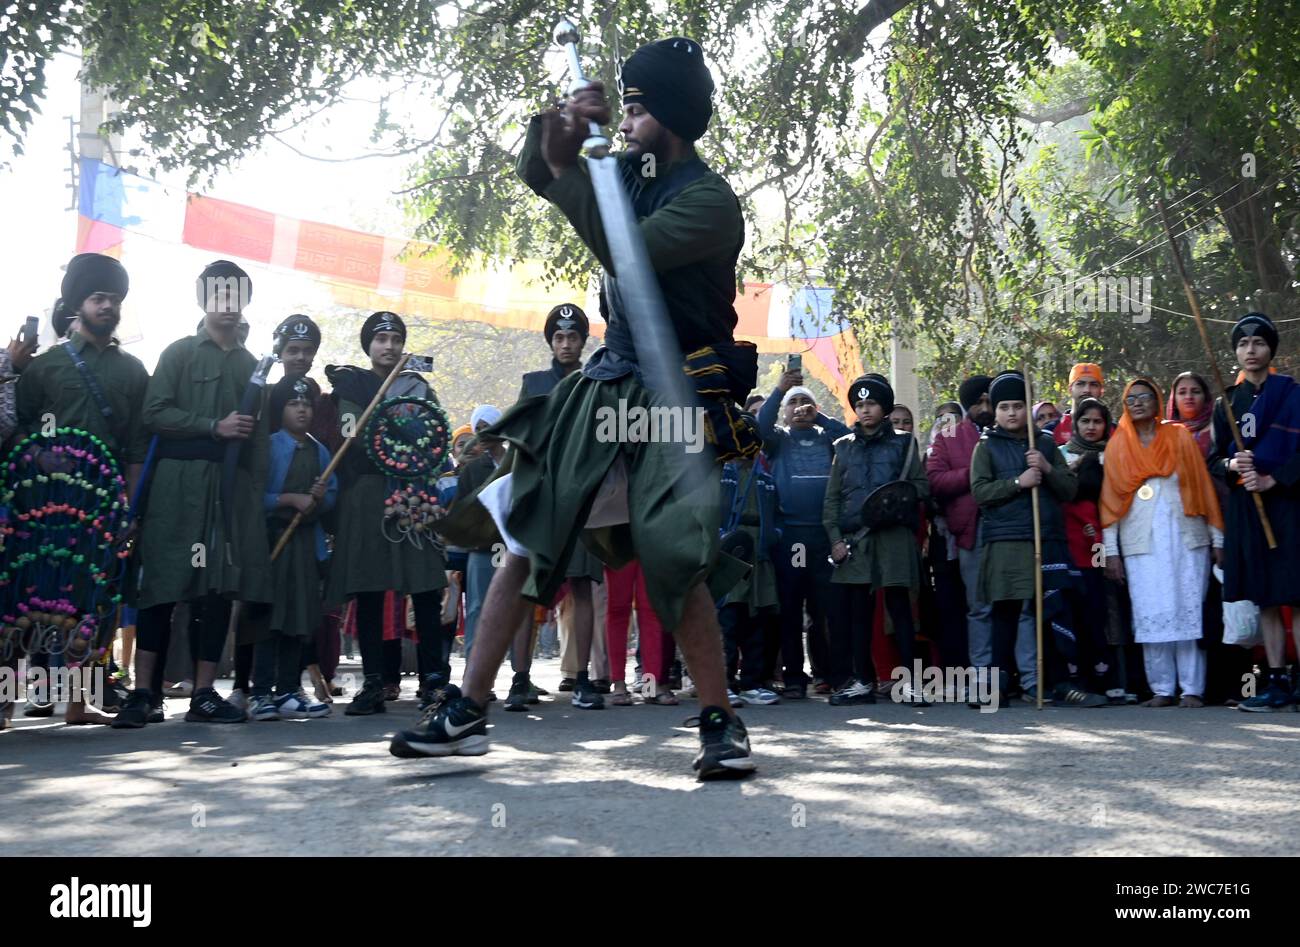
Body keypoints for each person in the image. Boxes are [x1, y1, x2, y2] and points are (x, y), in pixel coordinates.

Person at [403, 36, 759, 779]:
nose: (626, 123)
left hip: (677, 392)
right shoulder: (623, 171)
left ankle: (721, 722)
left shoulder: (709, 201)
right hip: (609, 380)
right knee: (528, 528)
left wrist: (584, 171)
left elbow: (625, 249)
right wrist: (561, 125)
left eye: (636, 109)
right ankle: (468, 710)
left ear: (672, 115)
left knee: (674, 553)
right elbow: (539, 168)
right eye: (622, 107)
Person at [114, 260, 272, 727]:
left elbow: (259, 443)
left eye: (235, 299)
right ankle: (145, 693)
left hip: (228, 492)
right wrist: (212, 426)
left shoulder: (252, 366)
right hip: (176, 485)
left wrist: (252, 501)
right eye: (219, 298)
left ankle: (205, 694)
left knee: (216, 591)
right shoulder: (179, 354)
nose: (227, 308)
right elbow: (154, 412)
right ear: (203, 301)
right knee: (162, 586)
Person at [14, 253, 149, 725]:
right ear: (78, 304)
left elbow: (136, 448)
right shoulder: (45, 368)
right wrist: (38, 451)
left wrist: (128, 508)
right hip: (44, 506)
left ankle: (78, 702)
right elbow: (19, 429)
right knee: (23, 596)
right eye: (98, 298)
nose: (107, 306)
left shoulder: (133, 372)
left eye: (114, 299)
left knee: (95, 601)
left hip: (102, 506)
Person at [324, 311, 448, 715]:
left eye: (396, 338)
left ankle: (434, 682)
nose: (389, 346)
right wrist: (395, 433)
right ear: (368, 346)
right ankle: (374, 683)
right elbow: (351, 436)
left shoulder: (419, 387)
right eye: (381, 339)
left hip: (414, 493)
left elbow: (433, 439)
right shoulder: (352, 386)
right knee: (370, 590)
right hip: (367, 494)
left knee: (426, 588)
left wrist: (400, 439)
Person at [1100, 378, 1223, 708]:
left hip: (1187, 539)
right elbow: (1110, 505)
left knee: (1188, 607)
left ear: (1157, 402)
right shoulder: (1117, 446)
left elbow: (1202, 489)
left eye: (1144, 397)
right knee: (1150, 610)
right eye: (1131, 399)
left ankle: (1193, 688)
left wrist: (1217, 538)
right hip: (1141, 543)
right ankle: (1162, 689)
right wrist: (1110, 553)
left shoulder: (1178, 436)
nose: (1138, 403)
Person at [508, 305, 605, 709]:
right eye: (559, 337)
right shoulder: (533, 385)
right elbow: (518, 443)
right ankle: (519, 679)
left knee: (582, 588)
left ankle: (582, 679)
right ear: (551, 341)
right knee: (528, 590)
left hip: (583, 501)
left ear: (583, 341)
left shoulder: (597, 385)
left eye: (573, 337)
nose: (566, 344)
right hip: (541, 501)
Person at [969, 371, 1079, 708]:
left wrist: (1046, 468)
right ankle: (998, 686)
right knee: (1005, 613)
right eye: (1004, 407)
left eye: (1018, 405)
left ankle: (1055, 682)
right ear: (995, 410)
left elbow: (1070, 490)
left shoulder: (1043, 443)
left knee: (1046, 611)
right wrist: (1019, 482)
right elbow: (980, 492)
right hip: (1005, 541)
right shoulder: (985, 447)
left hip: (1043, 538)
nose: (1012, 413)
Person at [1207, 314, 1300, 711]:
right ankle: (1276, 682)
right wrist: (1230, 467)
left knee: (1296, 596)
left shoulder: (1293, 394)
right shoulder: (1227, 402)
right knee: (1264, 597)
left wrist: (1274, 480)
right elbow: (1213, 459)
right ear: (1235, 353)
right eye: (1243, 345)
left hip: (1289, 504)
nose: (1250, 350)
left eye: (1258, 343)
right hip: (1248, 508)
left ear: (1270, 349)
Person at [824, 374, 930, 706]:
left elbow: (921, 487)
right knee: (859, 614)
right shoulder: (842, 447)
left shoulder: (905, 443)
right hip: (856, 540)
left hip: (894, 537)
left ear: (883, 408)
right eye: (859, 404)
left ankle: (909, 683)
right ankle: (862, 682)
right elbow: (833, 500)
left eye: (871, 403)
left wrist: (897, 503)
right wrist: (835, 539)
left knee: (900, 610)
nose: (864, 409)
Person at [757, 368, 850, 697]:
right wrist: (780, 391)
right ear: (784, 411)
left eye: (805, 402)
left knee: (826, 610)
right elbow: (759, 427)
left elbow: (848, 437)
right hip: (791, 537)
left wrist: (820, 415)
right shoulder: (778, 439)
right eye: (793, 403)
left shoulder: (828, 438)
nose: (799, 407)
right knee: (790, 609)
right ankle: (794, 677)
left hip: (824, 536)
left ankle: (831, 675)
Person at [250, 376, 336, 720]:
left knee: (299, 618)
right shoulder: (269, 447)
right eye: (293, 404)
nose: (301, 410)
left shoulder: (321, 451)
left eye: (306, 405)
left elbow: (331, 495)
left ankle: (288, 689)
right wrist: (288, 499)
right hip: (272, 543)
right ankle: (260, 692)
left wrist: (319, 500)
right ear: (279, 409)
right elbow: (254, 496)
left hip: (304, 545)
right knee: (269, 618)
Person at [1058, 397, 1128, 702]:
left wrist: (1106, 554)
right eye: (1085, 421)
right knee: (1080, 610)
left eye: (1097, 421)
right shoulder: (1062, 456)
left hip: (1107, 544)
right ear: (1075, 423)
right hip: (1074, 549)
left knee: (1107, 612)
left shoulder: (1116, 455)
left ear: (1106, 425)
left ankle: (1113, 675)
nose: (1091, 427)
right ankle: (1080, 676)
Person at [717, 449, 781, 705]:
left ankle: (752, 683)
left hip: (759, 551)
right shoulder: (722, 473)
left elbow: (777, 515)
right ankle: (725, 683)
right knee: (729, 619)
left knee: (756, 620)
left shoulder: (766, 478)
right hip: (730, 549)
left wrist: (774, 534)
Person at [1047, 363, 1104, 446]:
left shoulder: (1114, 430)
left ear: (1101, 391)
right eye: (1080, 384)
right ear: (1070, 389)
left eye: (1093, 385)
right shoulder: (1051, 430)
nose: (1087, 390)